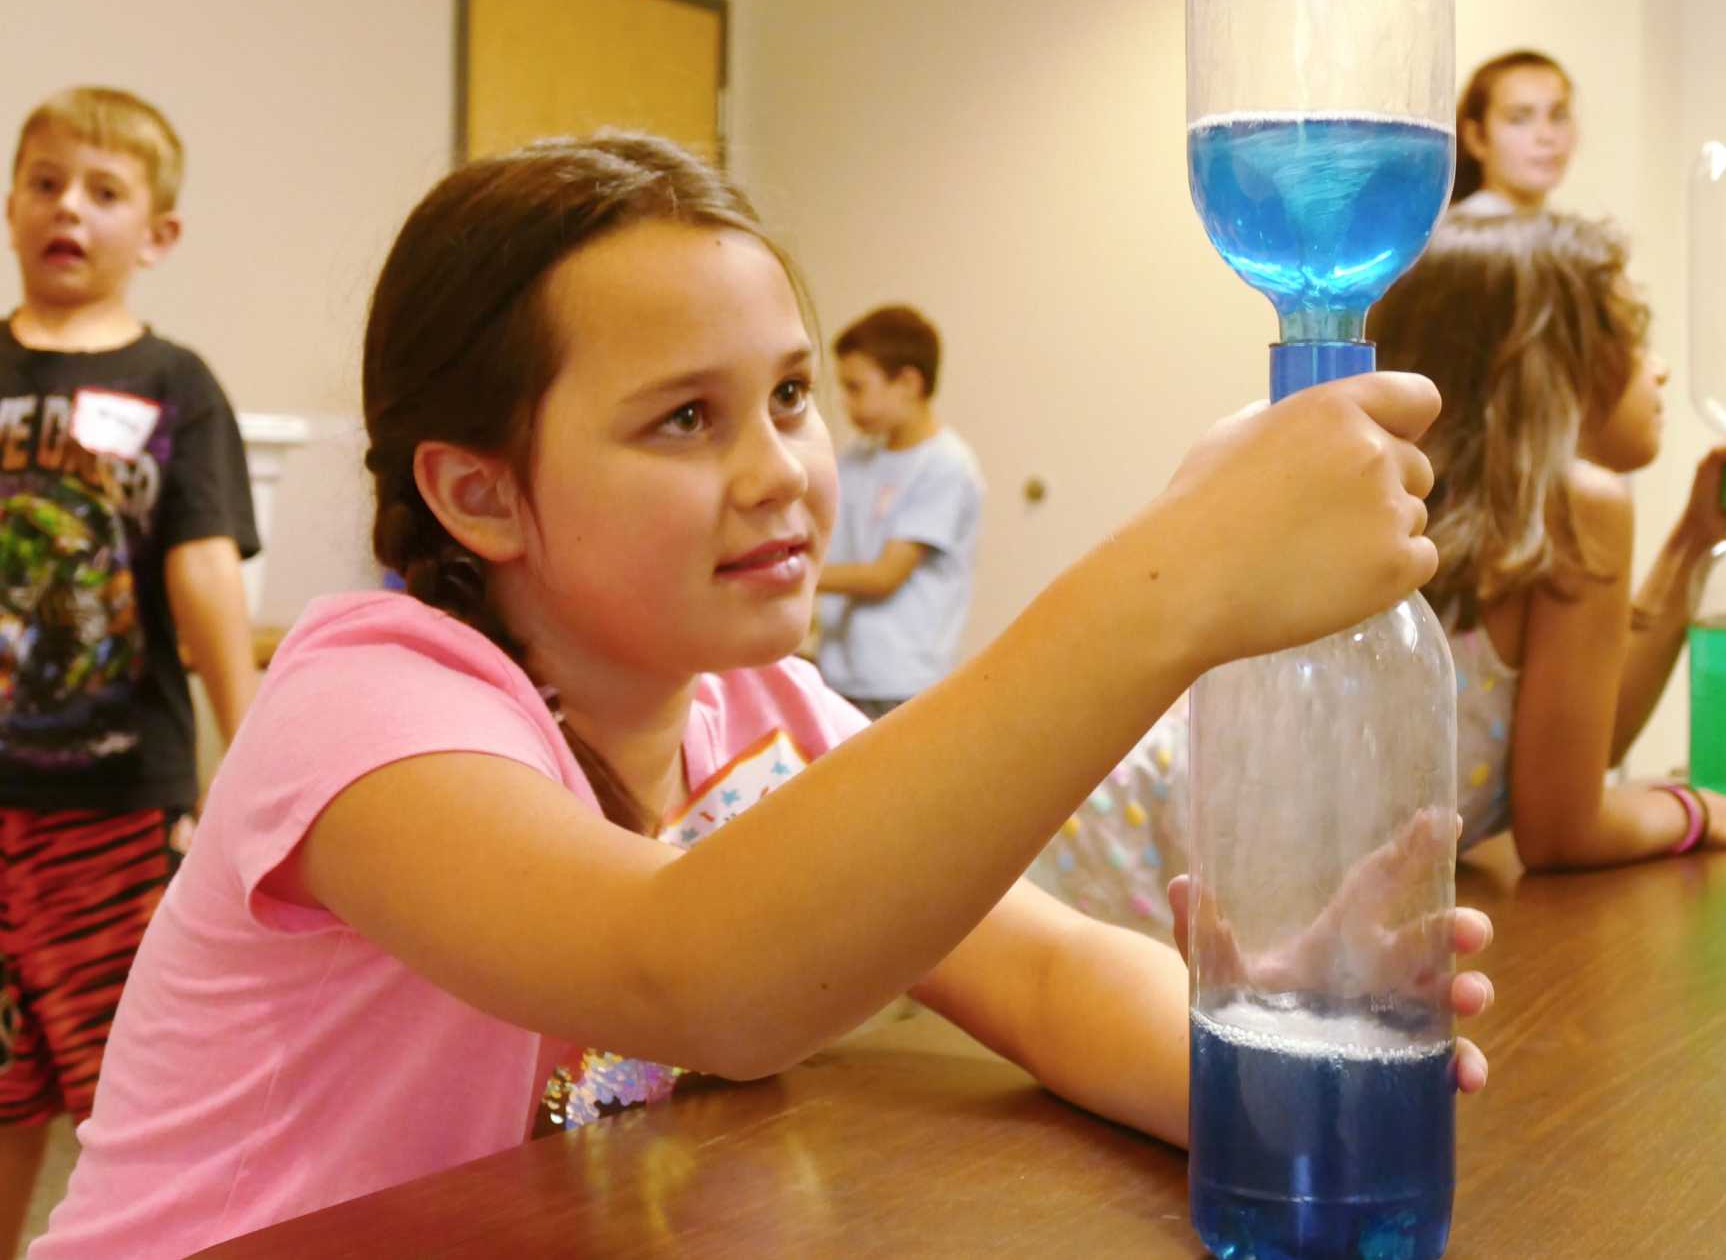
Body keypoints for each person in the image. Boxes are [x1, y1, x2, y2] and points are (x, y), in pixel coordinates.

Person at [29, 133, 1494, 1256]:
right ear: (479, 492)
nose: (781, 472)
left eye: (791, 397)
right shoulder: (368, 706)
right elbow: (692, 969)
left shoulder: (759, 713)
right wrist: (1171, 586)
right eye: (685, 419)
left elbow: (1047, 974)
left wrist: (1274, 1051)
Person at [0, 86, 260, 1253]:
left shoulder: (175, 385)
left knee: (127, 1089)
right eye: (47, 181)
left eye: (105, 192)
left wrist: (250, 754)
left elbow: (203, 576)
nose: (70, 208)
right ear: (12, 201)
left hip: (113, 802)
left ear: (156, 234)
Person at [1369, 212, 1726, 868]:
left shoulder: (1432, 505)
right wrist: (1703, 808)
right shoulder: (1578, 506)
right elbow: (1563, 832)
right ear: (1547, 367)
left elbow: (1584, 749)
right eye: (1635, 337)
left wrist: (1694, 541)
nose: (1659, 370)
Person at [814, 305, 983, 719]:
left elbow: (885, 575)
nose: (845, 402)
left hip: (900, 682)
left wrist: (797, 577)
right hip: (837, 672)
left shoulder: (946, 466)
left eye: (856, 388)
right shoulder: (855, 458)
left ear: (907, 382)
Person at [1448, 50, 1577, 217]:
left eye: (1558, 116)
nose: (1547, 135)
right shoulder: (1456, 236)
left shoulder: (1565, 233)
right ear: (1477, 138)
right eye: (1519, 119)